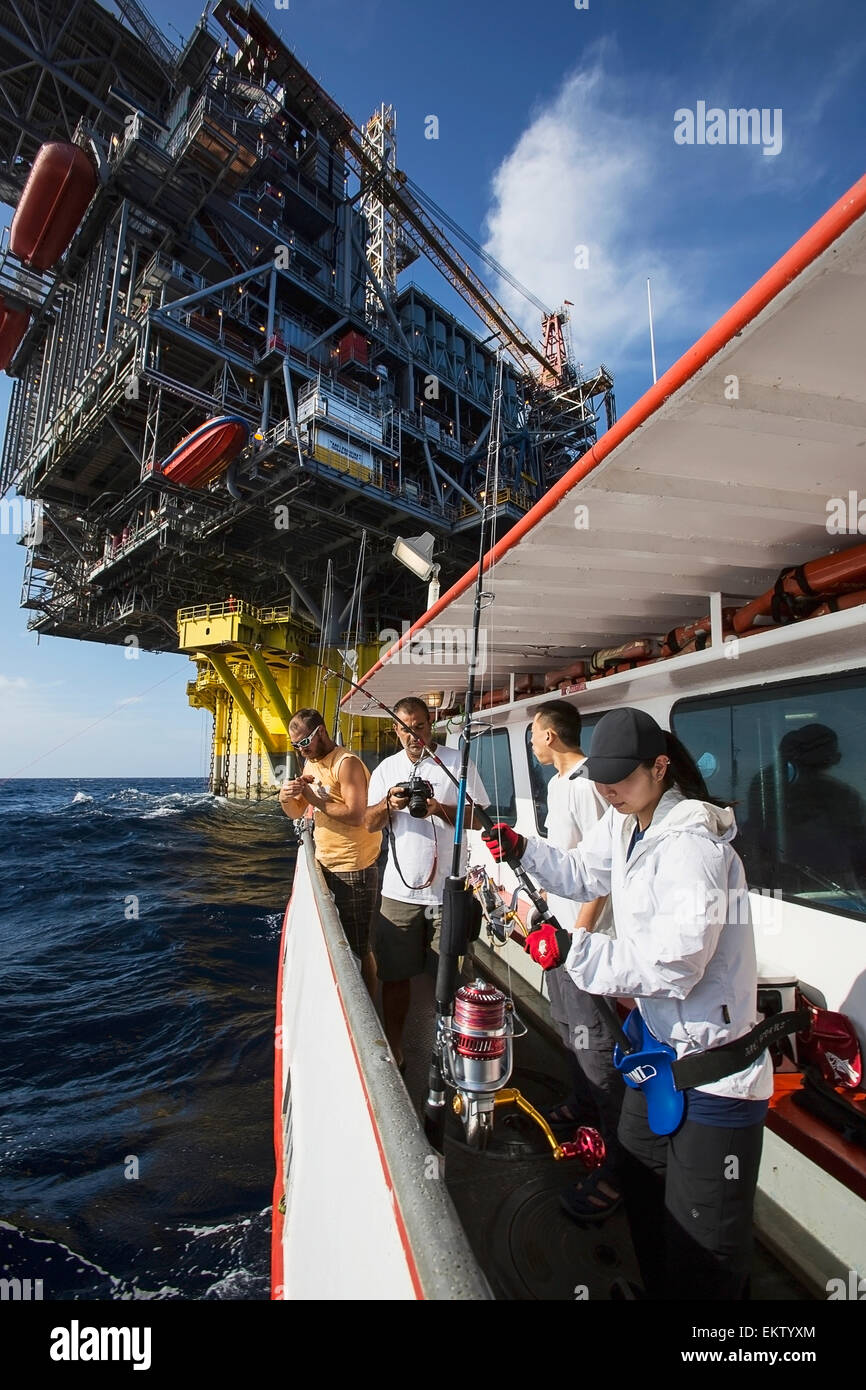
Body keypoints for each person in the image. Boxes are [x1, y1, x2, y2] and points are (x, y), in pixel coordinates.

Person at [483, 707, 773, 1301]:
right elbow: (579, 873)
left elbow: (674, 965)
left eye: (619, 778)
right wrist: (521, 849)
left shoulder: (693, 847)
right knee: (639, 1179)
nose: (607, 790)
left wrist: (569, 949)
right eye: (602, 778)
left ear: (660, 767)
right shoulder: (626, 823)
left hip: (713, 1075)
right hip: (658, 1051)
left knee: (707, 1250)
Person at [529, 700, 624, 1223]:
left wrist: (578, 937)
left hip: (582, 942)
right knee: (566, 1026)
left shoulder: (588, 785)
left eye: (533, 736)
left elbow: (601, 875)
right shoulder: (557, 784)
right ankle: (581, 1102)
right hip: (557, 935)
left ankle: (616, 1158)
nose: (531, 744)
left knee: (596, 1044)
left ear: (548, 735)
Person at [364, 697, 489, 1071]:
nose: (412, 734)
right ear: (394, 730)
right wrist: (390, 804)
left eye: (419, 725)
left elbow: (480, 818)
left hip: (449, 892)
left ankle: (451, 1053)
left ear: (430, 723)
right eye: (404, 727)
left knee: (450, 979)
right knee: (395, 977)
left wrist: (439, 809)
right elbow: (369, 824)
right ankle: (397, 1048)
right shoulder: (386, 769)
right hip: (399, 894)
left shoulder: (457, 763)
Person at [278, 708, 381, 997]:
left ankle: (369, 1011)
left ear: (321, 732)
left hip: (353, 869)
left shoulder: (346, 764)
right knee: (340, 943)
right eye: (295, 745)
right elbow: (295, 812)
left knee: (360, 949)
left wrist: (312, 798)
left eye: (304, 742)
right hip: (325, 863)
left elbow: (357, 814)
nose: (301, 750)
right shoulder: (311, 763)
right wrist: (286, 797)